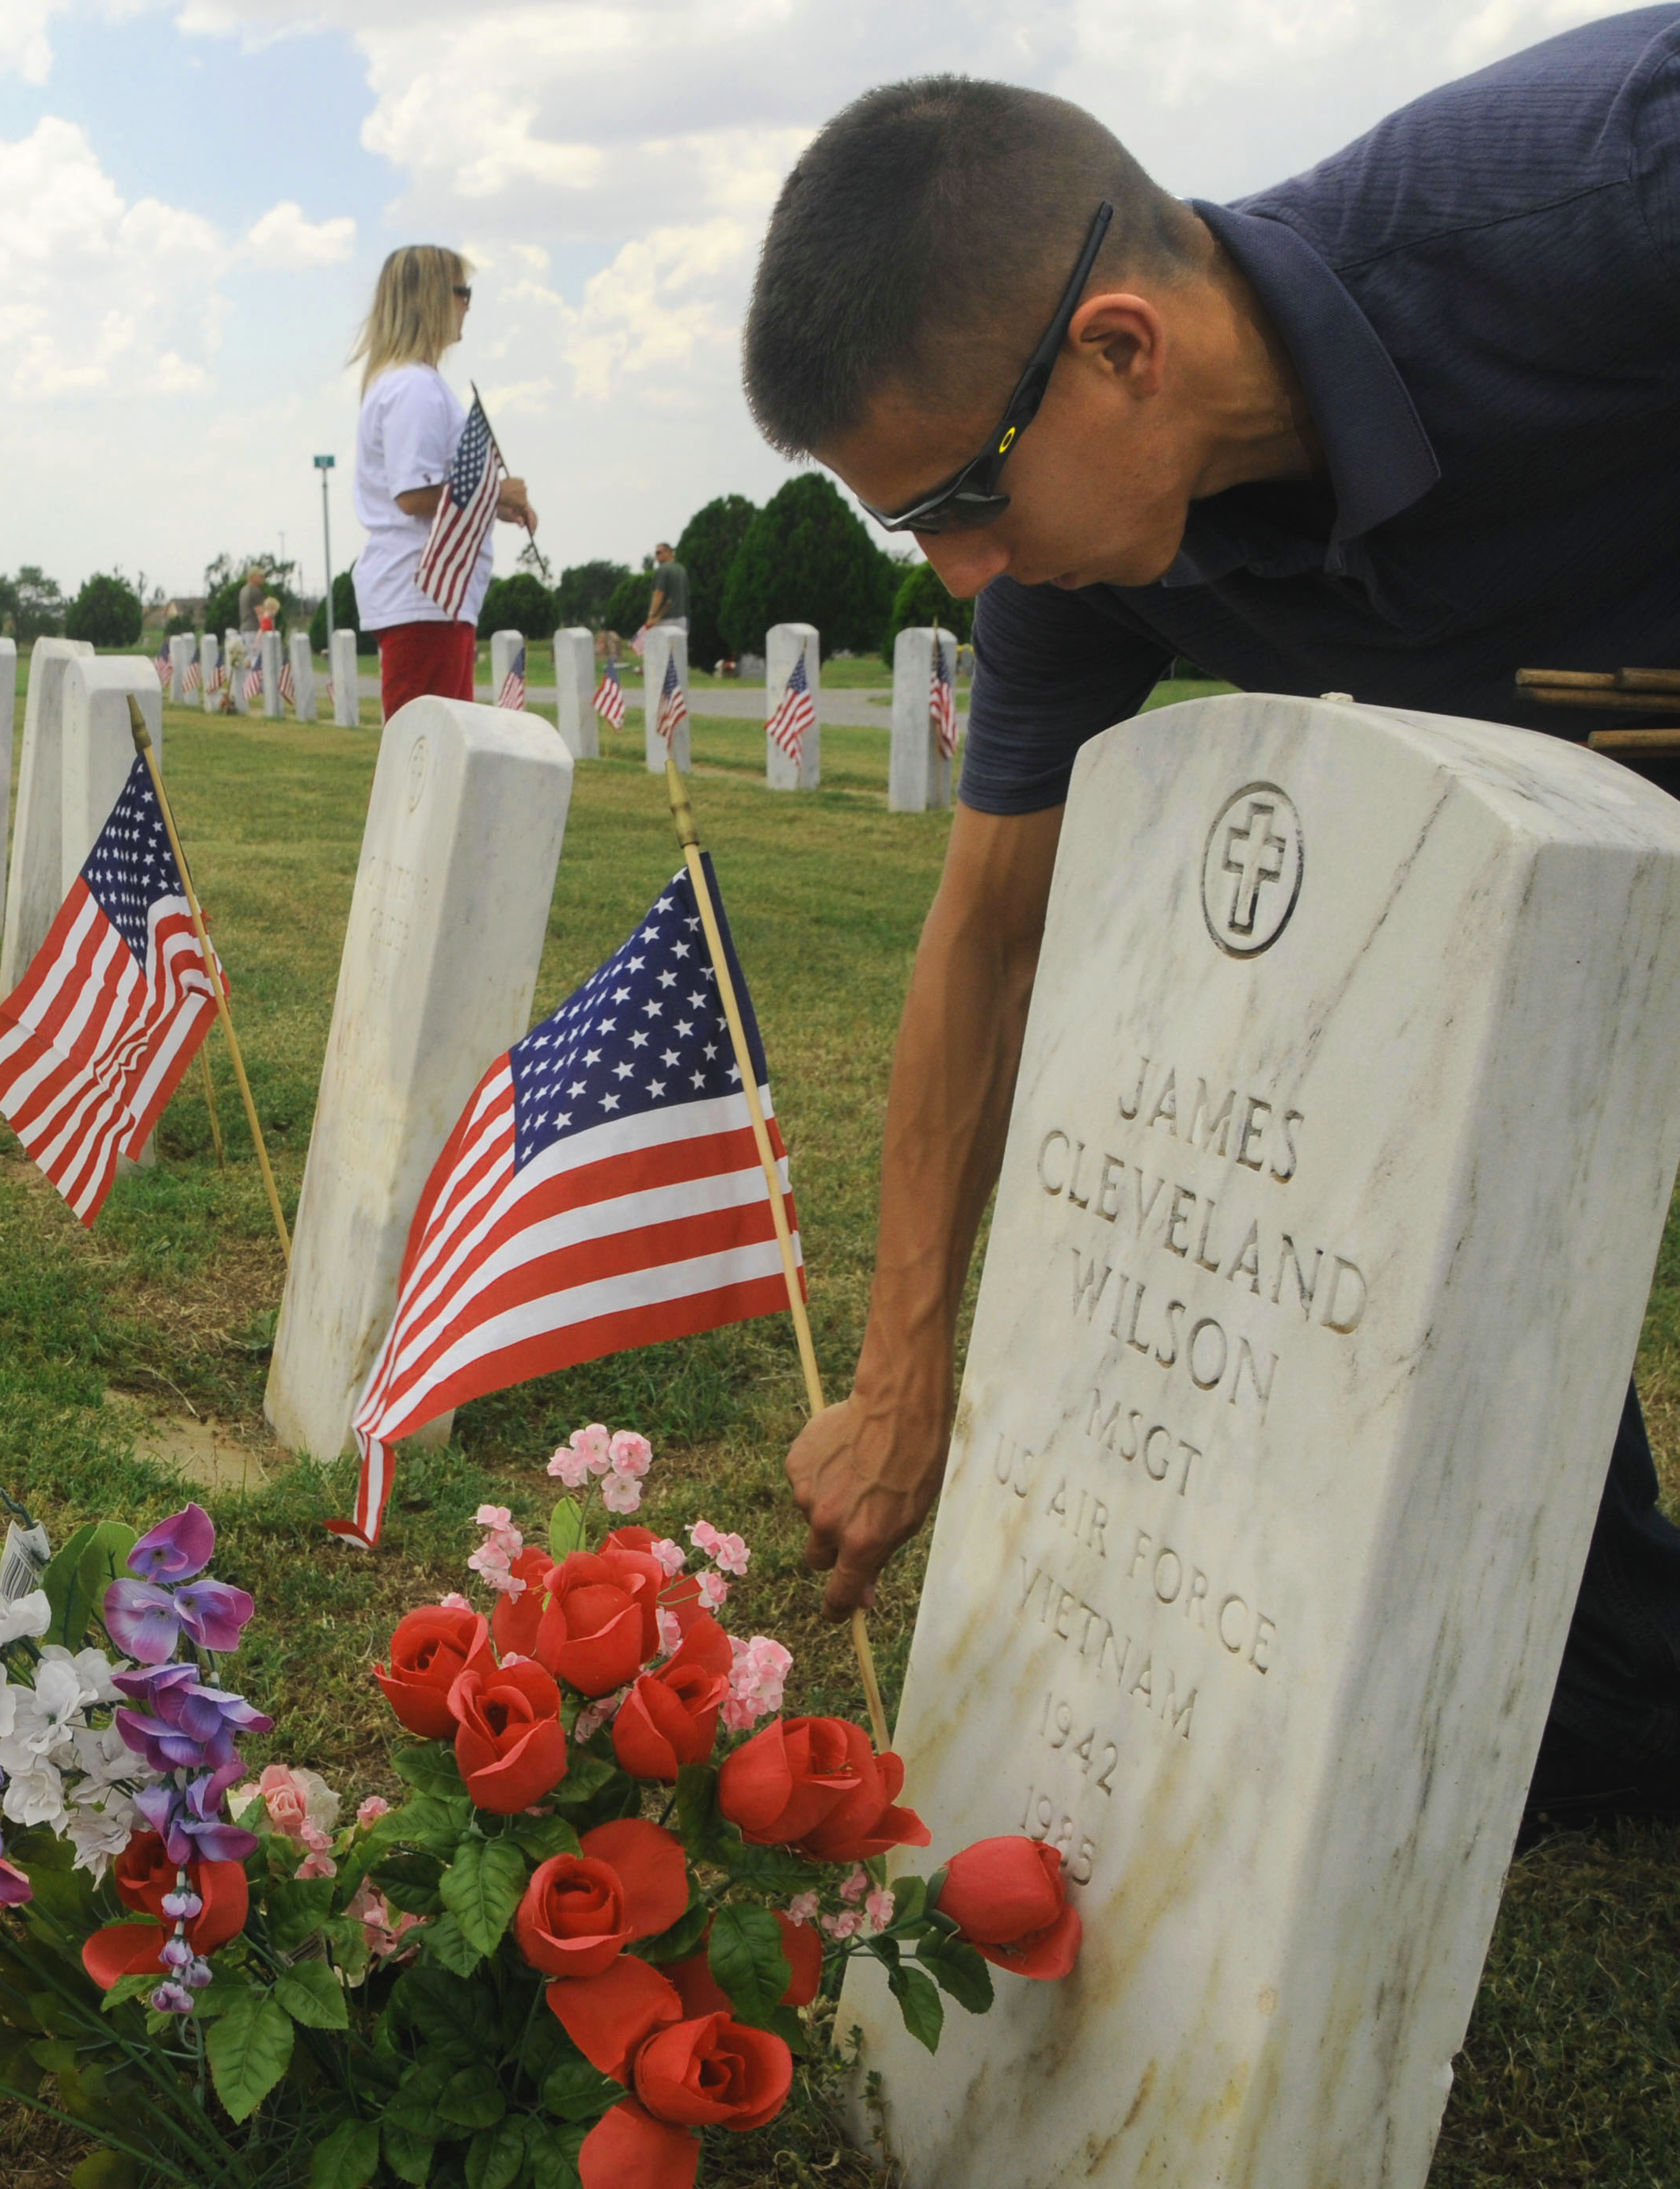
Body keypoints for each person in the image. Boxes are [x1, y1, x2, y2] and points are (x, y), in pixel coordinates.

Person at [742, 25, 1680, 1834]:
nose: (959, 577)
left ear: (1117, 350)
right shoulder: (1103, 570)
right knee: (1534, 1642)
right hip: (1582, 884)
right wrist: (901, 1372)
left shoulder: (1608, 190)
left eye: (959, 502)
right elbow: (991, 937)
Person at [348, 245, 537, 722]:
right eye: (462, 291)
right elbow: (413, 496)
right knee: (424, 763)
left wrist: (493, 505)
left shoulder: (416, 383)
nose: (468, 304)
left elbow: (431, 490)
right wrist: (498, 493)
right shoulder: (413, 387)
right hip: (422, 597)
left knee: (442, 759)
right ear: (430, 298)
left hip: (434, 600)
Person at [642, 542, 689, 632]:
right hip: (682, 619)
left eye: (658, 553)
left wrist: (652, 616)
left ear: (668, 552)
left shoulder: (663, 569)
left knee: (660, 646)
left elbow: (659, 593)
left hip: (663, 620)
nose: (656, 556)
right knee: (678, 645)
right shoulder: (682, 570)